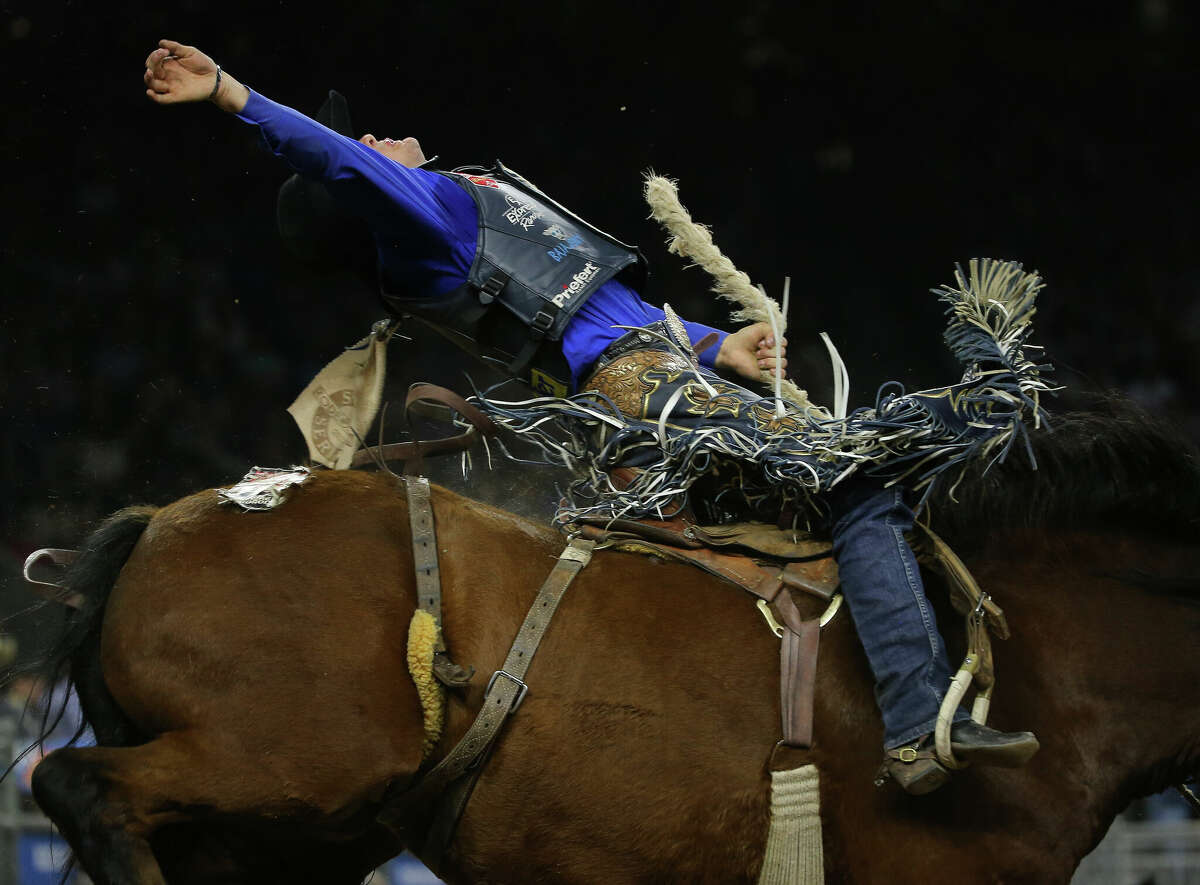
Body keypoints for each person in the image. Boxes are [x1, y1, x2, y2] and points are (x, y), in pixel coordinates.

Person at [142, 39, 1040, 794]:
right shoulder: (424, 220)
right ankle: (919, 725)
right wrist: (230, 94)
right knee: (857, 482)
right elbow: (334, 159)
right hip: (638, 391)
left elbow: (592, 307)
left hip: (647, 372)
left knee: (857, 484)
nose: (372, 135)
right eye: (363, 145)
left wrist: (713, 345)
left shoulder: (458, 214)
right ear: (364, 194)